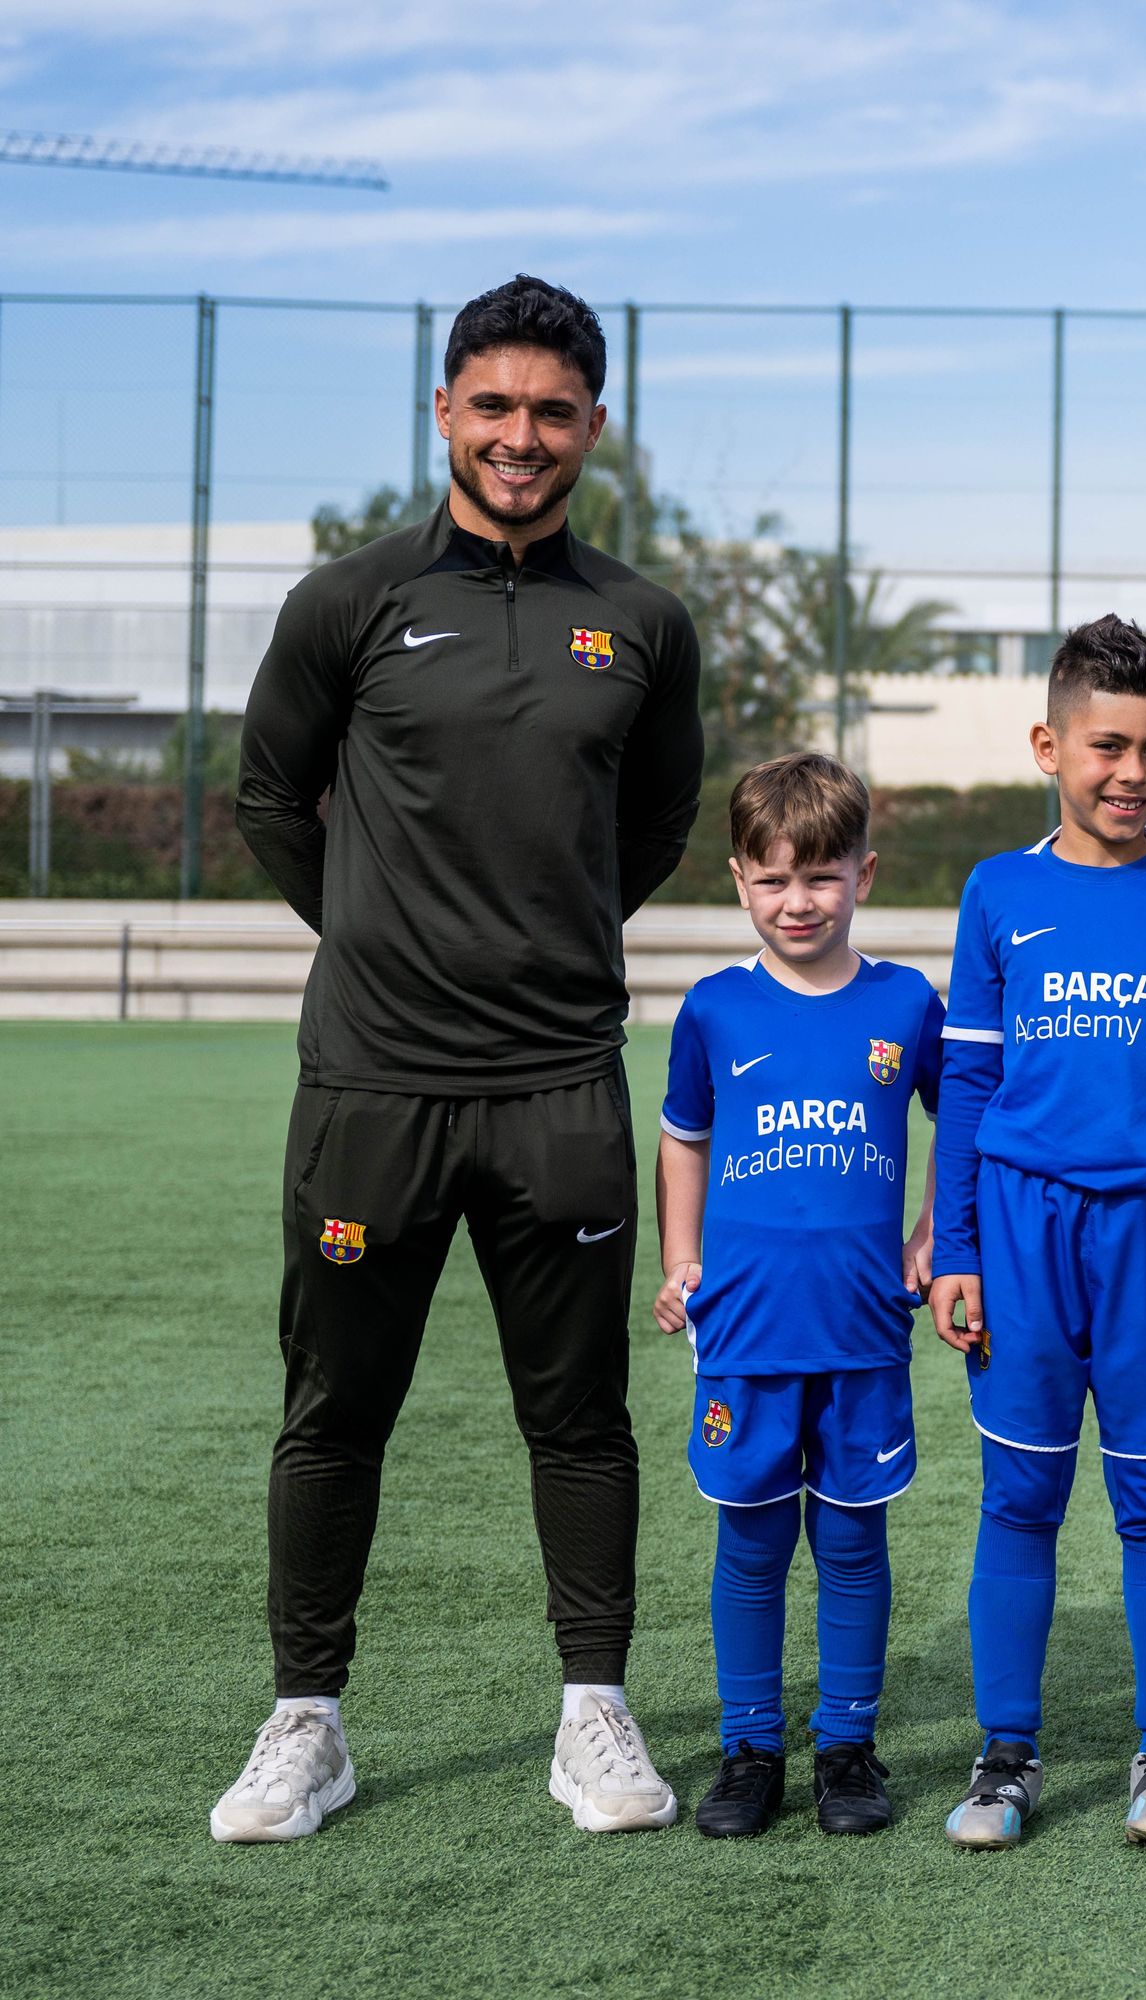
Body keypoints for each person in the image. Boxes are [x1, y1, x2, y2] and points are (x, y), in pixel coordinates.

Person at [213, 274, 703, 1844]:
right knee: (333, 1411)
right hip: (373, 1087)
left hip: (561, 1086)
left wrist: (543, 939)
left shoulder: (643, 622)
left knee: (579, 1420)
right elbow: (273, 798)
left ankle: (594, 1716)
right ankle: (307, 1723)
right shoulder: (348, 601)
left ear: (594, 428)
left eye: (553, 413)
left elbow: (656, 826)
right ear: (443, 412)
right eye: (492, 407)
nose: (521, 437)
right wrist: (378, 934)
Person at [926, 616, 1146, 1851]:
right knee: (1019, 1493)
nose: (1131, 772)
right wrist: (953, 1243)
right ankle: (1004, 1752)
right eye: (1106, 746)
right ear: (1048, 744)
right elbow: (965, 1089)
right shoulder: (998, 890)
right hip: (1019, 1232)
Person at [651, 754, 941, 1838]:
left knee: (856, 1543)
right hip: (745, 1330)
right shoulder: (715, 1007)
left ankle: (847, 1746)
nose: (798, 901)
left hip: (864, 1326)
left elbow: (959, 1124)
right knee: (753, 1543)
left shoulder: (906, 1001)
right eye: (773, 880)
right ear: (738, 881)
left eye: (820, 876)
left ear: (862, 872)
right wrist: (679, 1260)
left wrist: (931, 1235)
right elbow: (683, 1139)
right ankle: (749, 1746)